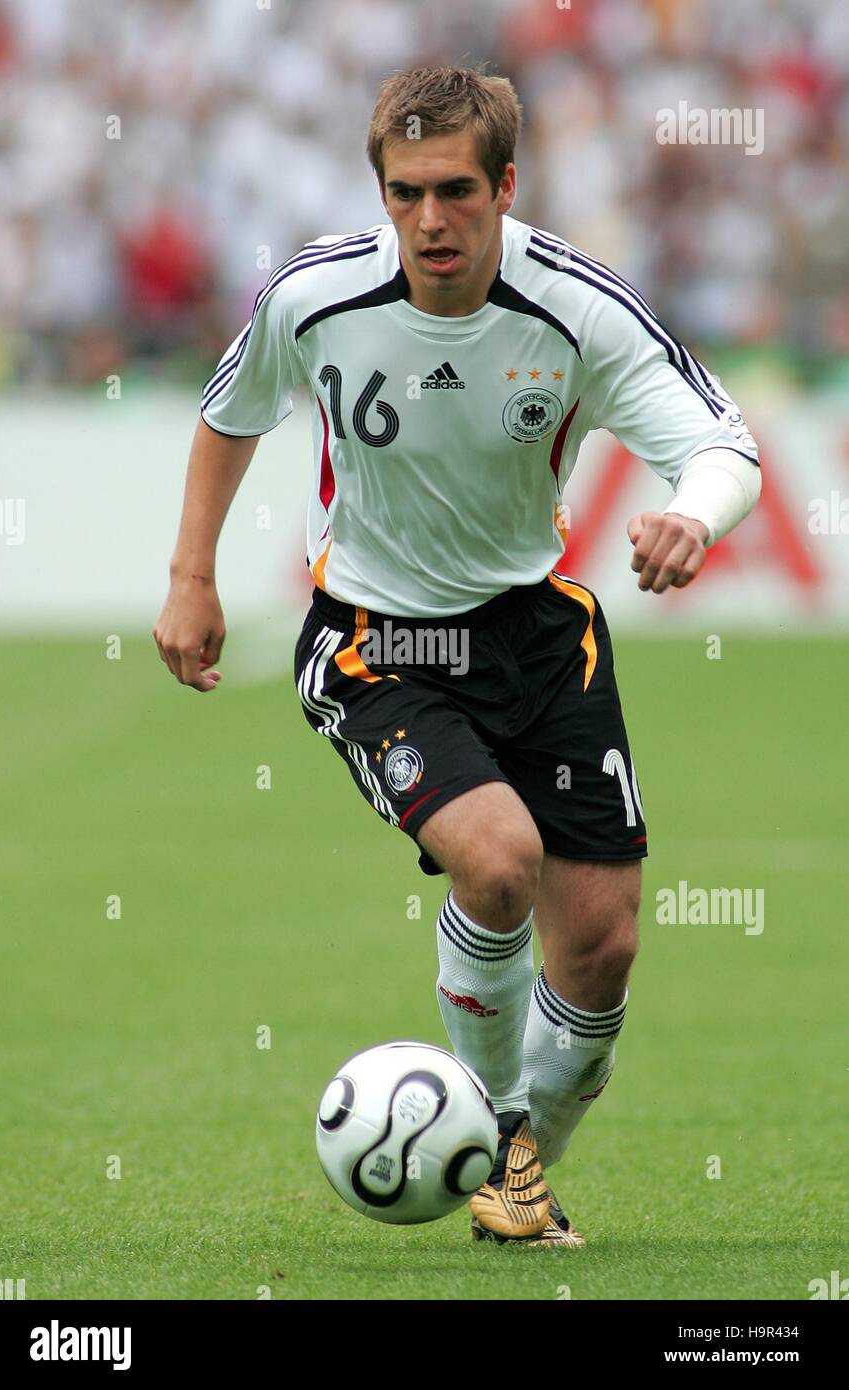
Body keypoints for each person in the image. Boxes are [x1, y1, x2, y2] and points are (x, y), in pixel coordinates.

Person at [154, 66, 761, 1248]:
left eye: (454, 193)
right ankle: (502, 1137)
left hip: (535, 634)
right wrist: (191, 577)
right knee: (497, 864)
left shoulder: (577, 308)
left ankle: (516, 1155)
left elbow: (720, 441)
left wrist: (692, 513)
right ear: (378, 191)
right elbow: (231, 413)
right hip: (375, 641)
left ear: (504, 188)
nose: (428, 221)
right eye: (403, 194)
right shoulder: (314, 296)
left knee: (600, 945)